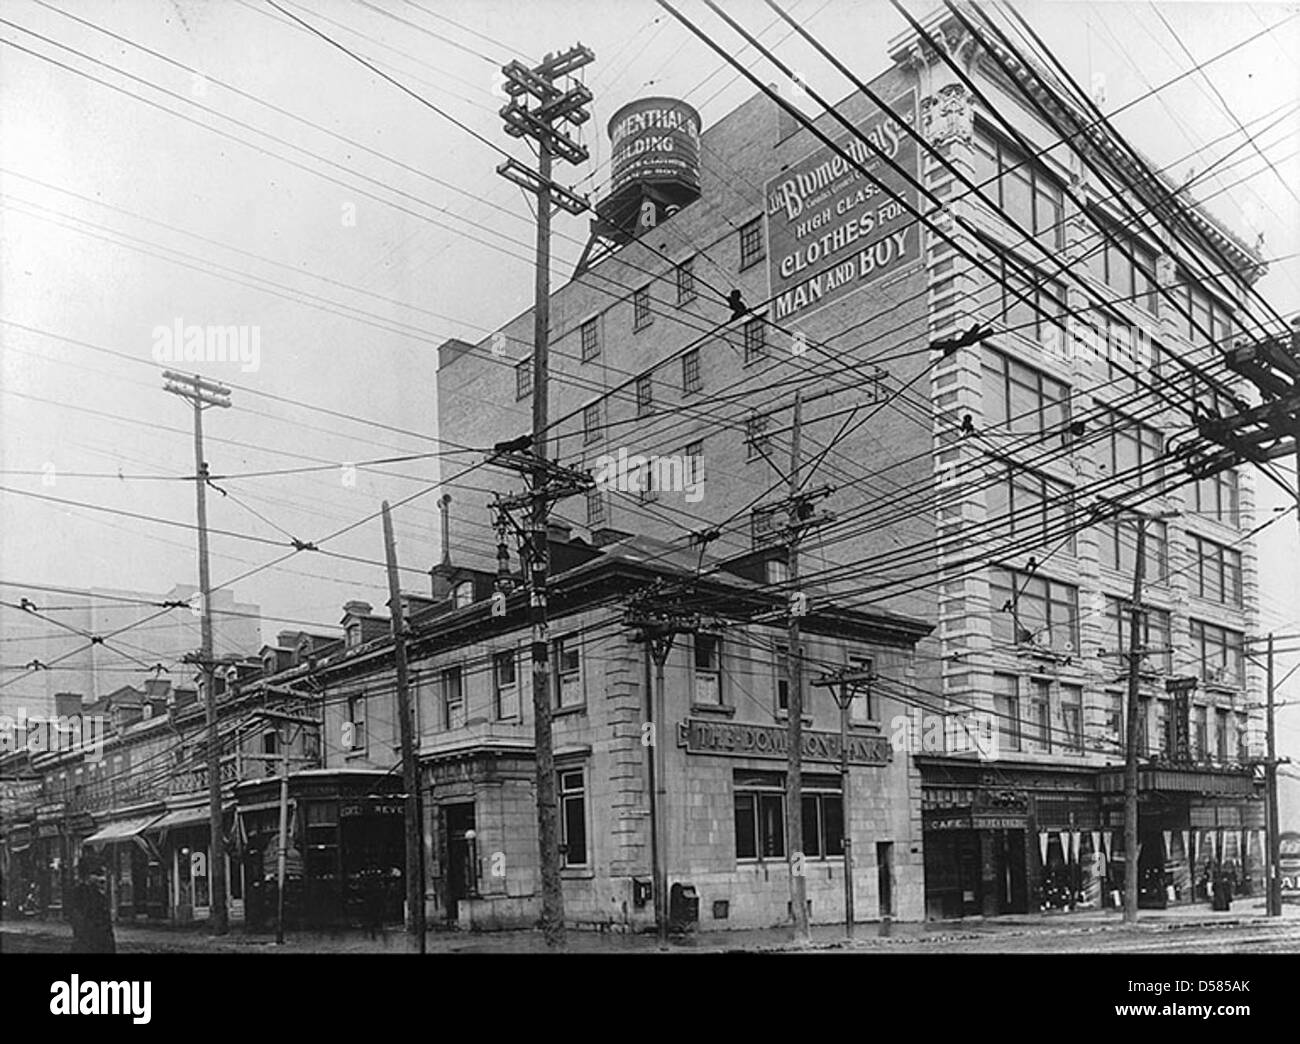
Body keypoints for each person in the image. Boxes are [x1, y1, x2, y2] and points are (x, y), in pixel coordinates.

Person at [69, 853, 115, 954]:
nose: (103, 879)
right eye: (98, 874)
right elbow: (81, 926)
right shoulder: (80, 895)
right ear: (86, 876)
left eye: (103, 874)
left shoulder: (99, 896)